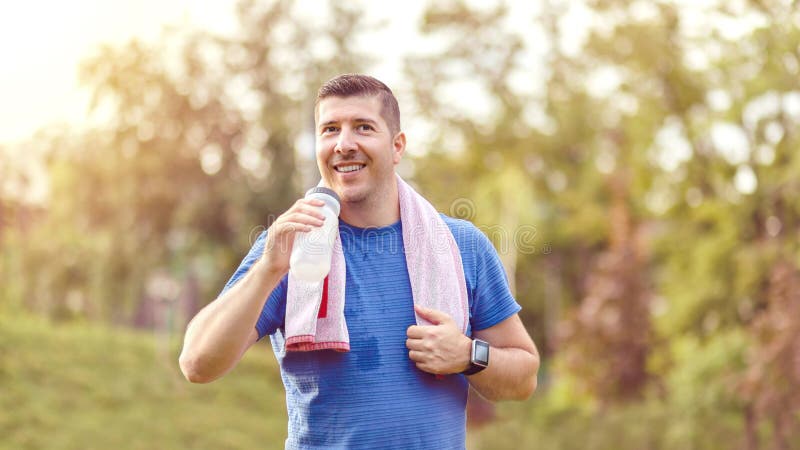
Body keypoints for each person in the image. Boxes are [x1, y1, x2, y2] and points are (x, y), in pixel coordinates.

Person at [179, 74, 540, 449]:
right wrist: (269, 268)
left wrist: (467, 354)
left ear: (397, 146)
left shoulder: (463, 245)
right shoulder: (290, 247)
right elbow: (197, 364)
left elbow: (524, 377)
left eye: (363, 127)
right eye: (330, 129)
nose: (343, 144)